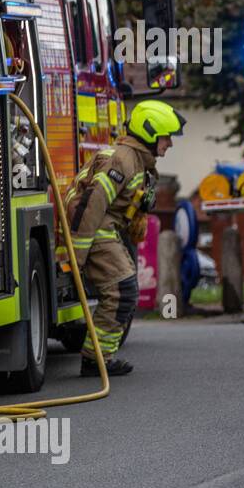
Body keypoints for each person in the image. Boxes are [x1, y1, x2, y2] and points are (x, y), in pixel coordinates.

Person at [65, 98, 185, 376]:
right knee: (122, 291)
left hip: (106, 230)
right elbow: (91, 205)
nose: (170, 144)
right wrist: (77, 255)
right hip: (94, 231)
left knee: (124, 290)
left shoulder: (139, 162)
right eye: (167, 138)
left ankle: (98, 357)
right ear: (151, 134)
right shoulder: (122, 160)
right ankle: (96, 360)